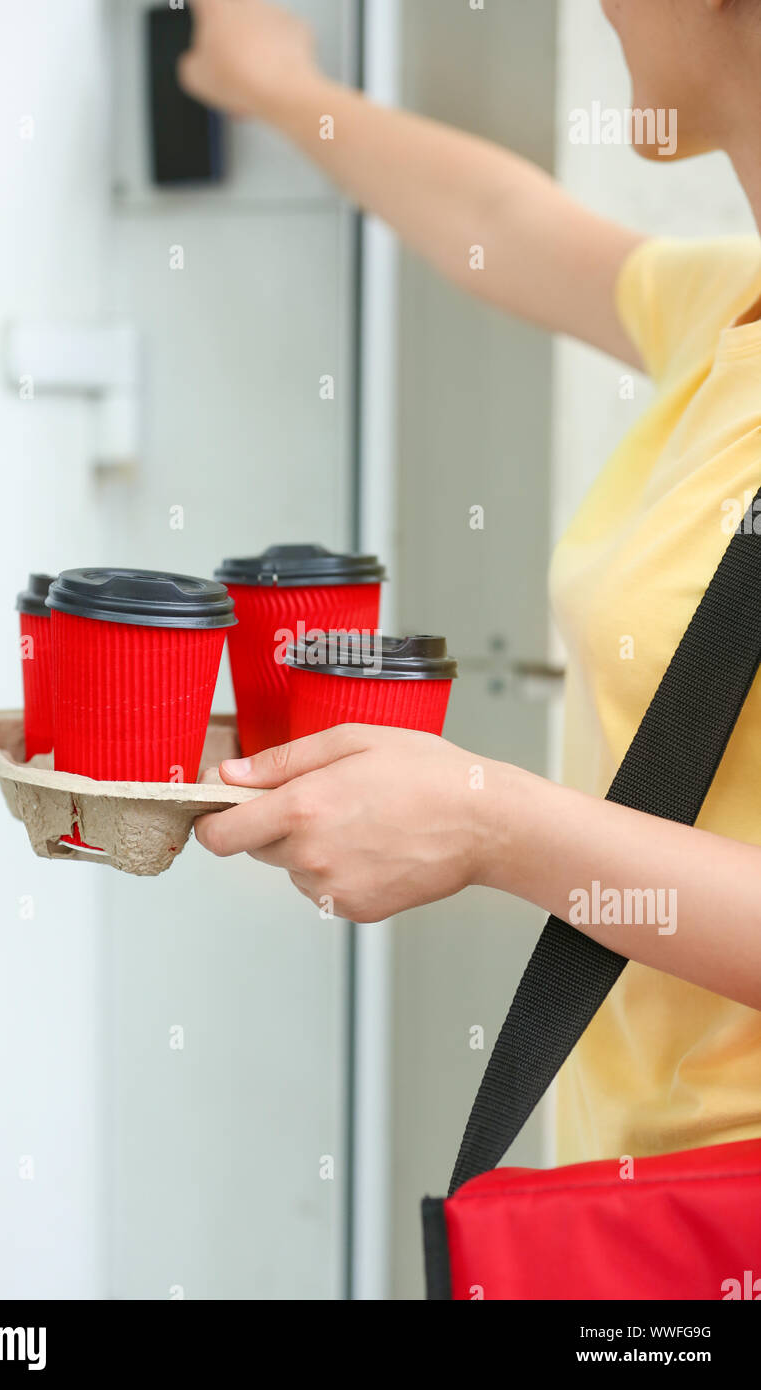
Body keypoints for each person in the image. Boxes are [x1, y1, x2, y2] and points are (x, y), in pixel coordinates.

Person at [183, 0, 761, 1167]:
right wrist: (273, 84)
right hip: (643, 1199)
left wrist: (488, 821)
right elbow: (497, 219)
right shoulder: (726, 309)